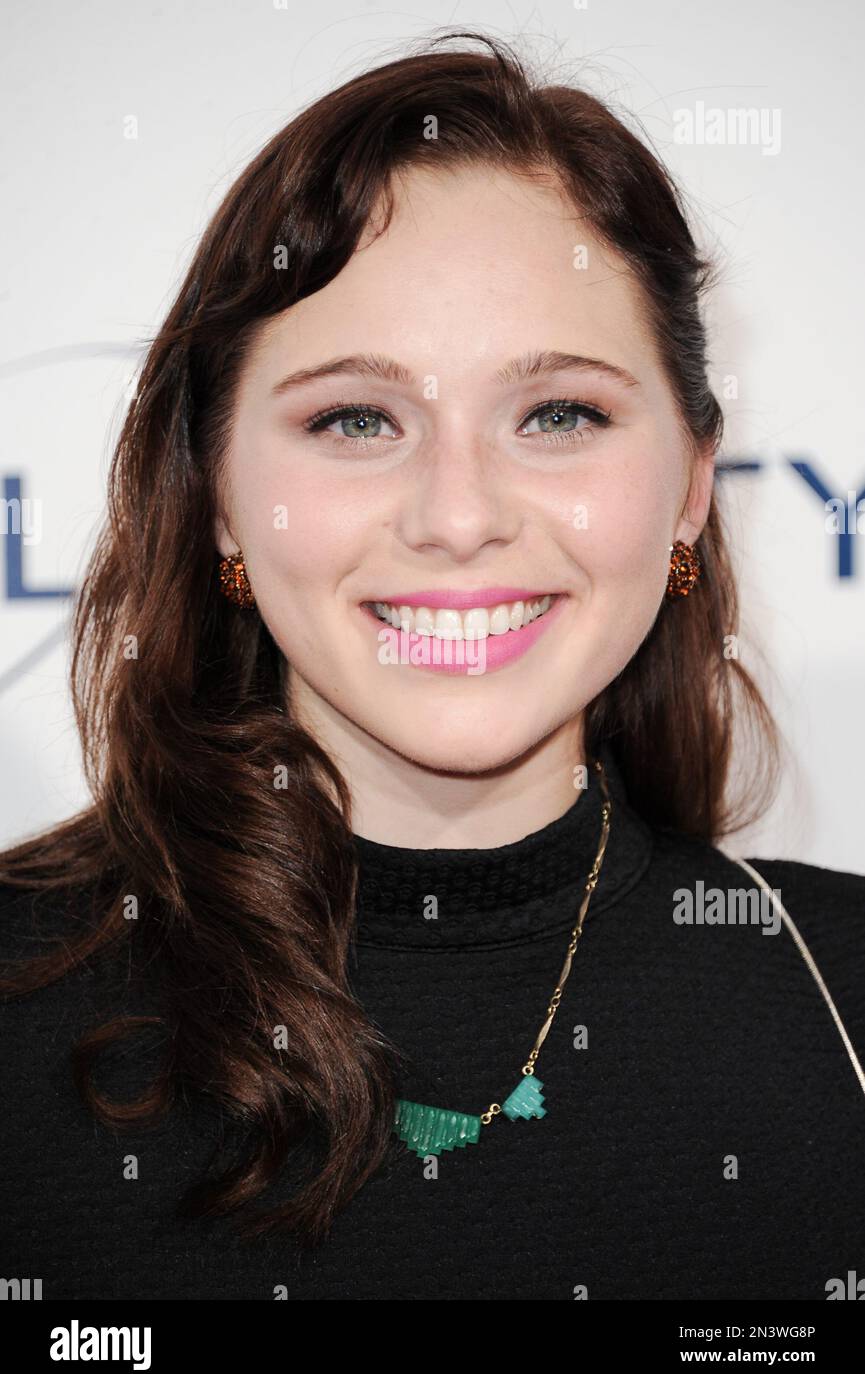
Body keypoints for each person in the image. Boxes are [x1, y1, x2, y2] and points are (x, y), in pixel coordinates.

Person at [1, 29, 863, 1301]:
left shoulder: (838, 994)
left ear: (688, 483)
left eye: (557, 414)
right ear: (222, 497)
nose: (458, 516)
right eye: (356, 419)